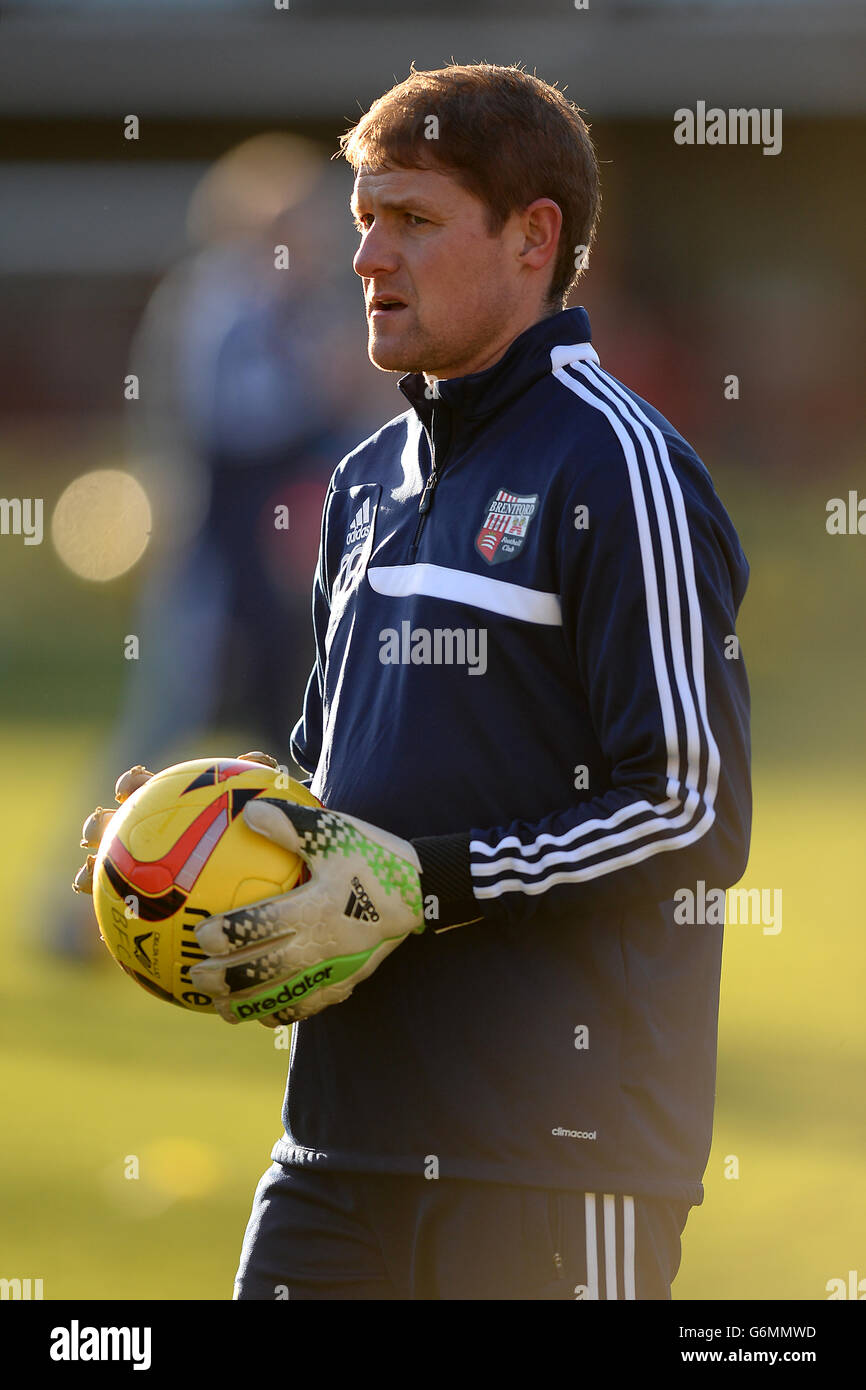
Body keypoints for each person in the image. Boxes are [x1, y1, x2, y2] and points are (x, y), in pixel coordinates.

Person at [190, 62, 752, 1301]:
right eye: (362, 221)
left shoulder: (621, 469)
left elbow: (689, 811)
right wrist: (194, 846)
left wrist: (417, 885)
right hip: (336, 1142)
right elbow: (329, 790)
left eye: (413, 220)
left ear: (532, 237)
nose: (367, 259)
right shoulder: (361, 485)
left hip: (554, 1155)